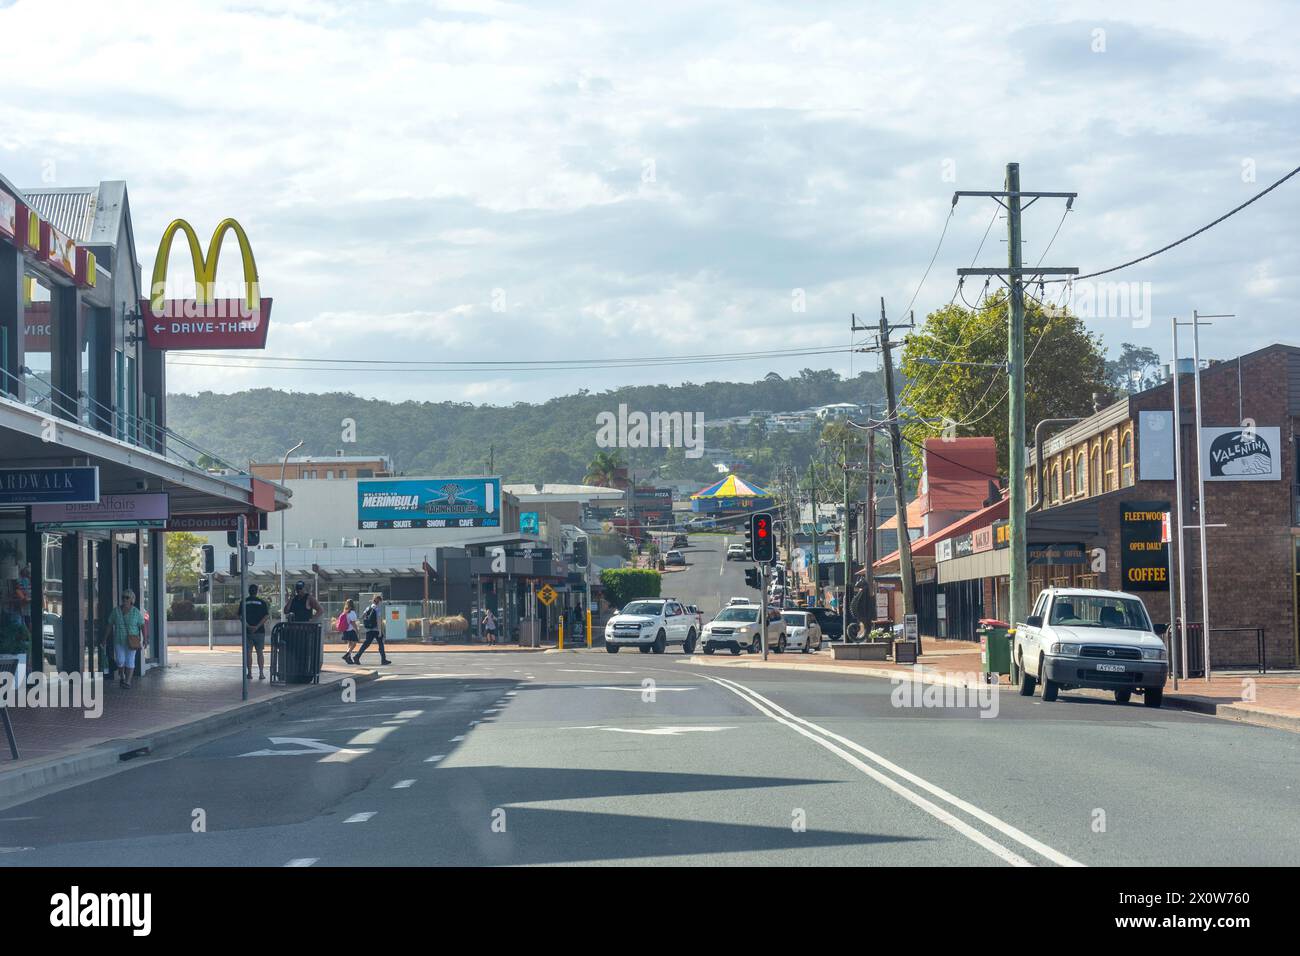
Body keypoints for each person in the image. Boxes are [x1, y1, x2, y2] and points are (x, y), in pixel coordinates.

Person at [103, 589, 145, 689]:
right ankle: (122, 675)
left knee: (130, 661)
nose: (124, 599)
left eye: (127, 597)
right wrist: (104, 638)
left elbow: (142, 625)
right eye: (123, 597)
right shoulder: (116, 611)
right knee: (120, 660)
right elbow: (110, 624)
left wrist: (146, 639)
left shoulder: (136, 612)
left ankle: (128, 682)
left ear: (132, 599)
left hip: (132, 641)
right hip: (119, 640)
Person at [240, 584, 271, 680]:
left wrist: (248, 626)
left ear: (249, 591)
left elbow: (241, 616)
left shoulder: (244, 602)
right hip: (260, 631)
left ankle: (249, 673)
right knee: (260, 652)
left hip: (248, 631)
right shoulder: (262, 602)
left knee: (248, 652)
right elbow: (266, 616)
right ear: (257, 591)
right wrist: (257, 626)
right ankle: (261, 673)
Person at [353, 593, 391, 665]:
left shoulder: (368, 607)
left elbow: (362, 616)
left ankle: (357, 656)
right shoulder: (377, 609)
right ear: (379, 601)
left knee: (366, 644)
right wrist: (380, 631)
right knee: (381, 644)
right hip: (376, 629)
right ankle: (383, 660)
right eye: (380, 601)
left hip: (369, 629)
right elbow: (378, 620)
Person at [338, 598, 361, 664]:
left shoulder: (345, 611)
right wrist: (357, 630)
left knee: (350, 643)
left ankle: (349, 658)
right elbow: (353, 622)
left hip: (346, 630)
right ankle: (347, 654)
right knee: (354, 644)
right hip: (351, 630)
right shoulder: (352, 612)